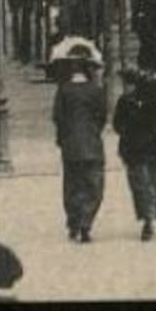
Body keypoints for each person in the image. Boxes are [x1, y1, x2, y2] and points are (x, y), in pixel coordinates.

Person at [113, 67, 156, 240]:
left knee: (143, 186)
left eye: (127, 84)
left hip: (139, 150)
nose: (125, 88)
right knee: (147, 185)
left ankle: (149, 215)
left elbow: (117, 126)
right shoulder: (150, 99)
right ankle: (150, 216)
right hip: (148, 150)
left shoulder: (129, 101)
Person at [52, 50, 109, 242]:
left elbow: (57, 117)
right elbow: (102, 116)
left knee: (72, 185)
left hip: (70, 146)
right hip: (92, 145)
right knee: (93, 185)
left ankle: (73, 221)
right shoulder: (96, 90)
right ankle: (86, 221)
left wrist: (62, 138)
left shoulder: (64, 90)